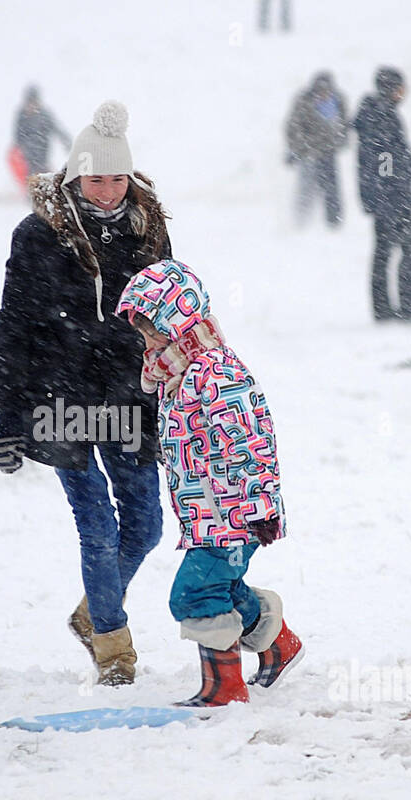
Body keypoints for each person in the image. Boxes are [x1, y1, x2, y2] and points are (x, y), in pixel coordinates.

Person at [0, 101, 171, 686]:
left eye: (117, 177)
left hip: (128, 394)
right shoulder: (38, 235)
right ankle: (115, 649)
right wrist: (8, 416)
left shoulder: (149, 228)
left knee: (144, 525)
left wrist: (181, 394)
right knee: (94, 520)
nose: (107, 189)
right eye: (95, 177)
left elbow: (172, 317)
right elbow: (13, 325)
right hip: (59, 393)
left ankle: (94, 613)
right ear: (74, 175)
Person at [114, 260, 303, 707]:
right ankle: (279, 644)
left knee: (195, 592)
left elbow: (252, 443)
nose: (147, 341)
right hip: (207, 513)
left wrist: (258, 507)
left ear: (174, 323)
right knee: (223, 587)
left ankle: (225, 688)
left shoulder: (214, 373)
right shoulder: (179, 372)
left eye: (152, 331)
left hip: (236, 513)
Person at [354, 67, 411, 322]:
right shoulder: (382, 117)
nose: (403, 93)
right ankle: (406, 309)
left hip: (383, 198)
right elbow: (384, 160)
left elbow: (383, 158)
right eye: (400, 87)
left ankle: (384, 310)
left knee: (384, 251)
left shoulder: (376, 114)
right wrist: (403, 172)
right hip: (392, 199)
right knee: (409, 249)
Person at [285, 71, 349, 227]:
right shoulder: (303, 102)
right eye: (320, 91)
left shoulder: (337, 101)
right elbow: (293, 127)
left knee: (331, 191)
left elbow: (344, 126)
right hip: (308, 153)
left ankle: (334, 224)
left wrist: (337, 142)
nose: (323, 94)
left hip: (328, 152)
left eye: (326, 91)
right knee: (306, 190)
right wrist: (301, 147)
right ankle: (301, 222)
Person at [13, 85, 72, 176]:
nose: (31, 107)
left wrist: (67, 142)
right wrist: (19, 148)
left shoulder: (44, 116)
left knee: (42, 174)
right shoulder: (22, 116)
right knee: (29, 174)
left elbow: (57, 129)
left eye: (34, 103)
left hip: (42, 154)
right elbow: (17, 136)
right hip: (26, 157)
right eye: (29, 103)